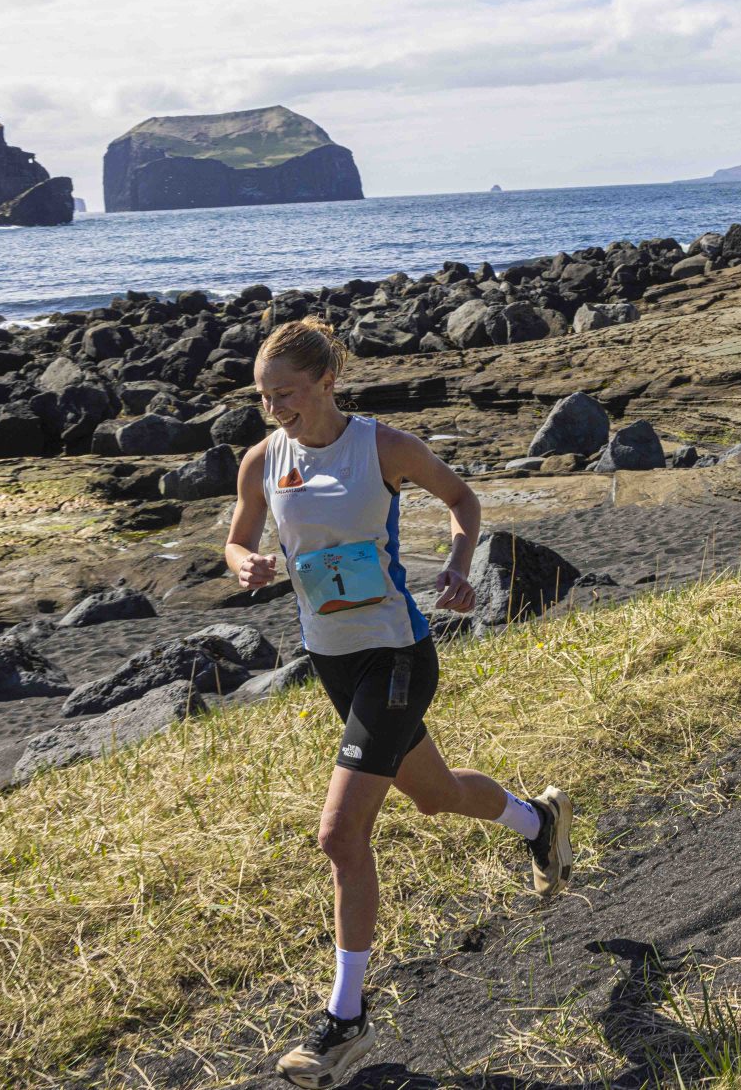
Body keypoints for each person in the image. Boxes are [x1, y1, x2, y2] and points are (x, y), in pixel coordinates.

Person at [225, 315, 574, 1090]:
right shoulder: (262, 460)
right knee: (437, 796)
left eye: (286, 393)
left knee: (339, 835)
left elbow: (463, 502)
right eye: (263, 397)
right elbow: (238, 540)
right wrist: (244, 562)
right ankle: (540, 821)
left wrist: (457, 567)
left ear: (326, 383)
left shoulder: (383, 447)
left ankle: (344, 1020)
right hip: (332, 663)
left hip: (396, 655)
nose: (275, 408)